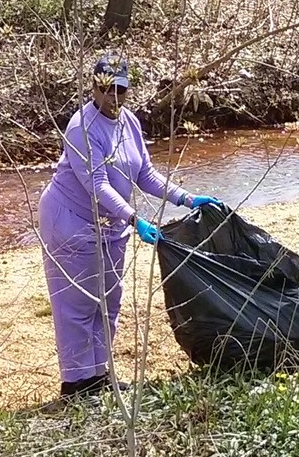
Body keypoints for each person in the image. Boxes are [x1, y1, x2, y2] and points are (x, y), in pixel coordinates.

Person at [36, 52, 219, 397]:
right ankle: (76, 383)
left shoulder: (129, 122)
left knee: (109, 299)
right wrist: (135, 219)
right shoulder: (82, 128)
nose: (113, 97)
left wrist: (187, 198)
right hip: (71, 221)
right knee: (78, 303)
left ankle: (100, 375)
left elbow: (145, 174)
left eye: (120, 90)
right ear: (93, 88)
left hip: (111, 223)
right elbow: (98, 184)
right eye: (106, 89)